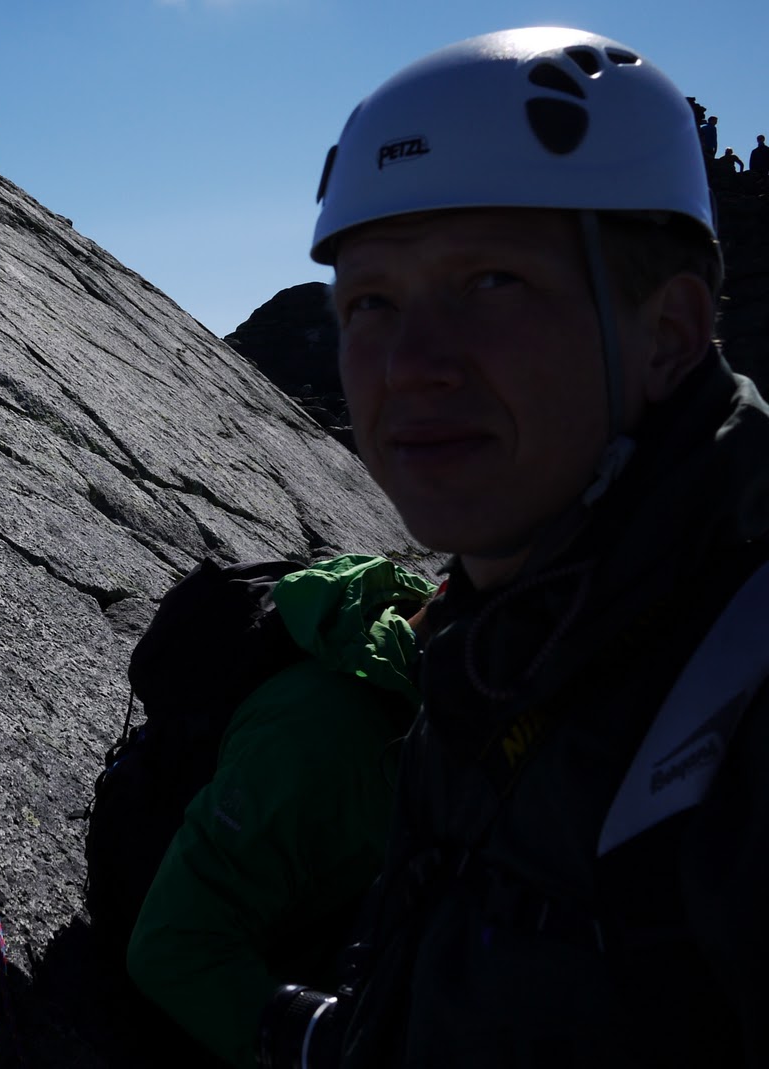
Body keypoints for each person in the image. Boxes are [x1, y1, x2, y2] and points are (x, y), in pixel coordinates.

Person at [276, 26, 769, 1068]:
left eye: (492, 281)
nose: (408, 366)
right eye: (370, 303)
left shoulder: (741, 690)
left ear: (668, 335)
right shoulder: (503, 627)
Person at [125, 556, 432, 1066]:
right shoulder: (329, 735)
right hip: (211, 994)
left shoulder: (443, 745)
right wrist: (330, 1046)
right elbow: (173, 948)